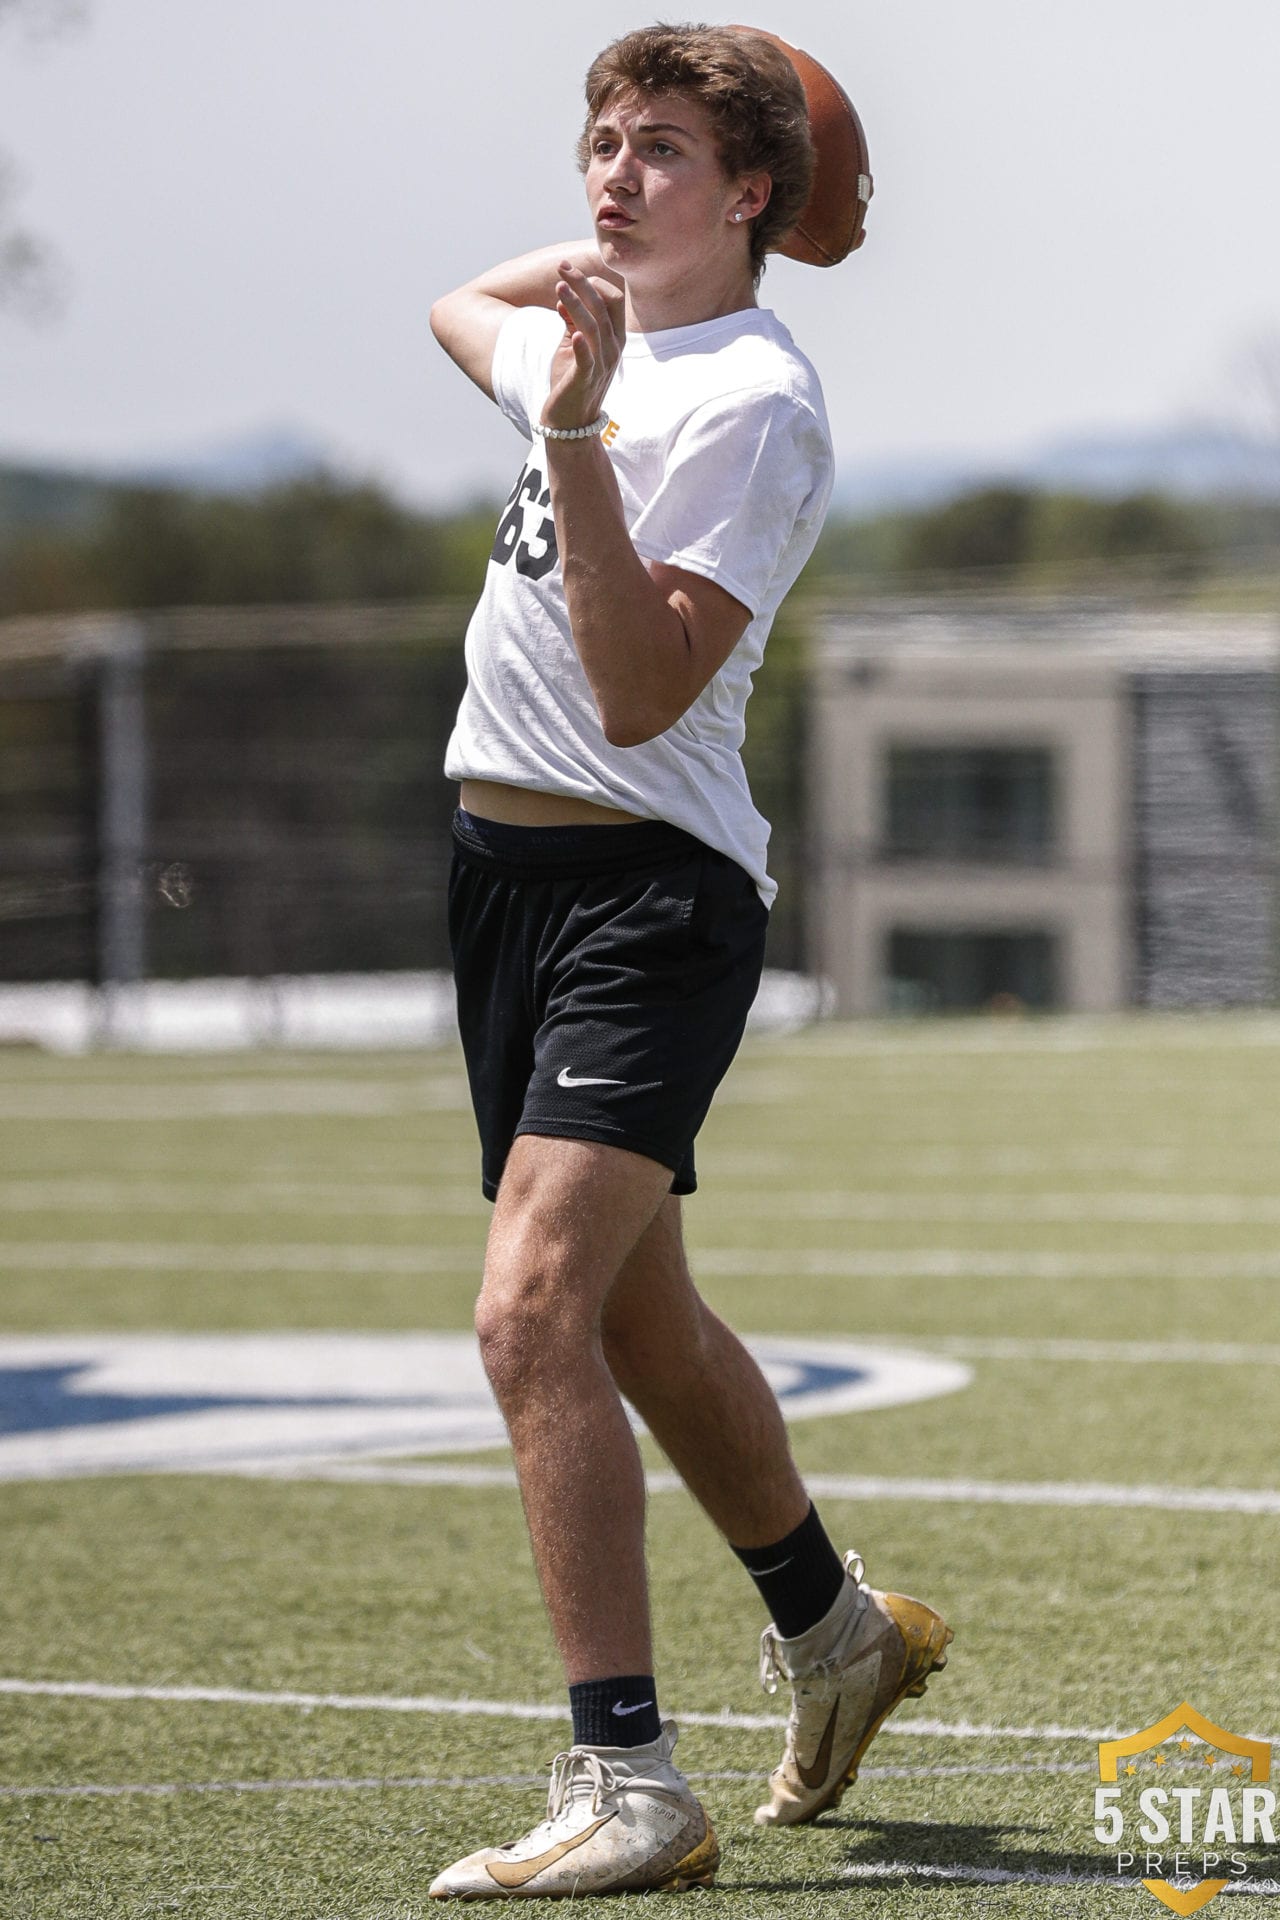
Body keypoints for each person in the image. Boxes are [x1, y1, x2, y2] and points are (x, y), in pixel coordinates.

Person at [427, 23, 951, 1900]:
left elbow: (646, 698)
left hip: (648, 894)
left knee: (526, 1319)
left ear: (752, 194)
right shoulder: (613, 335)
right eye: (599, 144)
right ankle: (835, 1632)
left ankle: (630, 1783)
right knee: (637, 1322)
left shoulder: (749, 404)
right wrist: (593, 297)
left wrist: (578, 415)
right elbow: (447, 302)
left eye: (660, 153)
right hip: (502, 885)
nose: (609, 176)